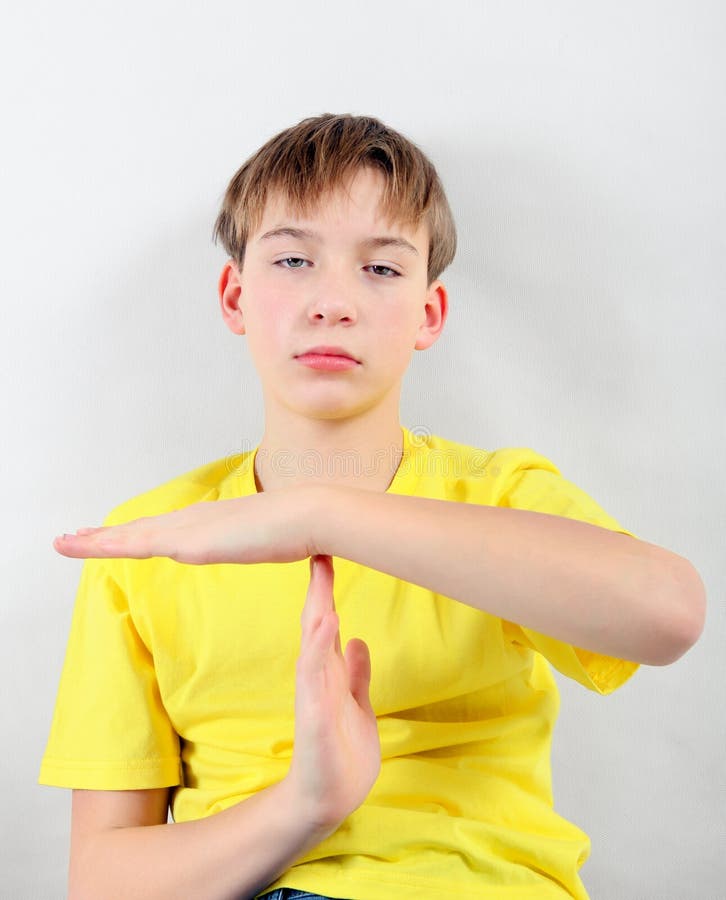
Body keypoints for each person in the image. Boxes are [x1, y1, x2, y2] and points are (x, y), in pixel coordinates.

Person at [38, 113, 706, 900]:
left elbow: (669, 614)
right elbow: (102, 884)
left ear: (429, 313)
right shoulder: (151, 543)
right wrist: (306, 804)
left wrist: (319, 514)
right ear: (235, 295)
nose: (333, 302)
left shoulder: (499, 496)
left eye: (382, 269)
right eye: (293, 259)